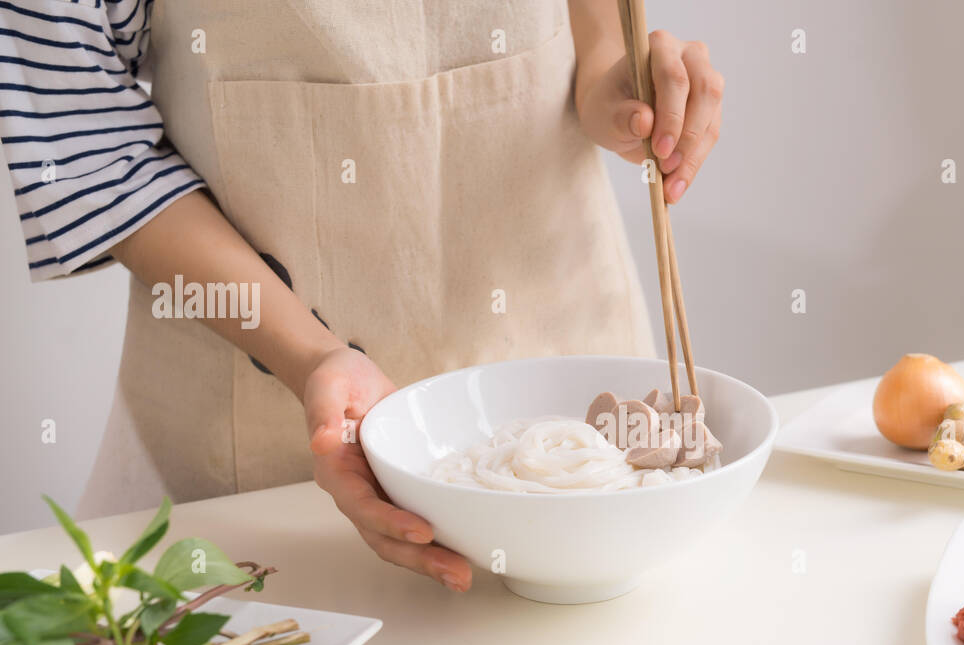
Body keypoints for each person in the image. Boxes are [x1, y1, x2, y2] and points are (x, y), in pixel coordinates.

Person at [0, 0, 724, 592]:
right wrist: (311, 356)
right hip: (269, 469)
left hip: (589, 441)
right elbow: (90, 144)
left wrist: (608, 75)